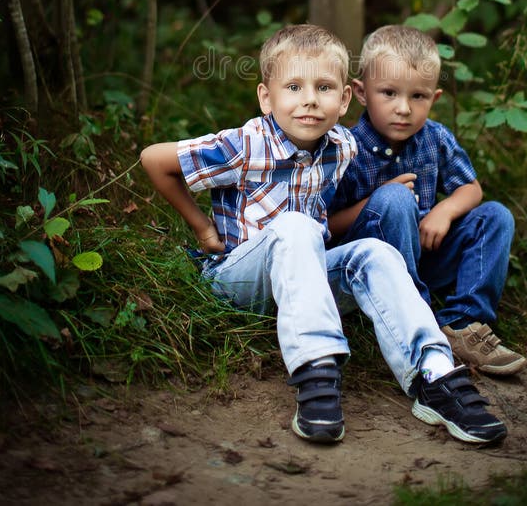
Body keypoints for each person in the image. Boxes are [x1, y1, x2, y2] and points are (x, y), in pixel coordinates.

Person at [140, 24, 508, 446]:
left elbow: (329, 222)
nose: (310, 100)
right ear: (266, 97)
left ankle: (435, 374)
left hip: (305, 278)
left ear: (345, 98)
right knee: (295, 227)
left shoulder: (341, 148)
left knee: (373, 252)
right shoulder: (244, 144)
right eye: (294, 86)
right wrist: (203, 228)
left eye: (324, 87)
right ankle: (316, 371)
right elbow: (154, 160)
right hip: (239, 279)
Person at [328, 24, 526, 377]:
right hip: (370, 270)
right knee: (394, 199)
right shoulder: (345, 147)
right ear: (360, 92)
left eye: (417, 97)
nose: (403, 108)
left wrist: (444, 211)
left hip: (424, 253)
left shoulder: (435, 138)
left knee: (495, 216)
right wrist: (379, 200)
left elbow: (471, 189)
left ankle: (462, 324)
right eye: (388, 93)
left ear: (433, 99)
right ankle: (414, 320)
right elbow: (325, 224)